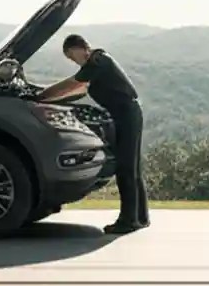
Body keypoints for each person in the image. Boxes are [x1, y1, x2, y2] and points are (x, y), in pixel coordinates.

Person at [37, 34, 149, 234]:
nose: (74, 61)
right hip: (128, 113)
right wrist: (50, 99)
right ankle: (141, 217)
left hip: (126, 115)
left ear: (80, 48)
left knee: (125, 167)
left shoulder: (97, 60)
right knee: (131, 167)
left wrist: (42, 95)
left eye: (72, 56)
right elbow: (78, 90)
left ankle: (128, 220)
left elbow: (72, 83)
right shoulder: (96, 64)